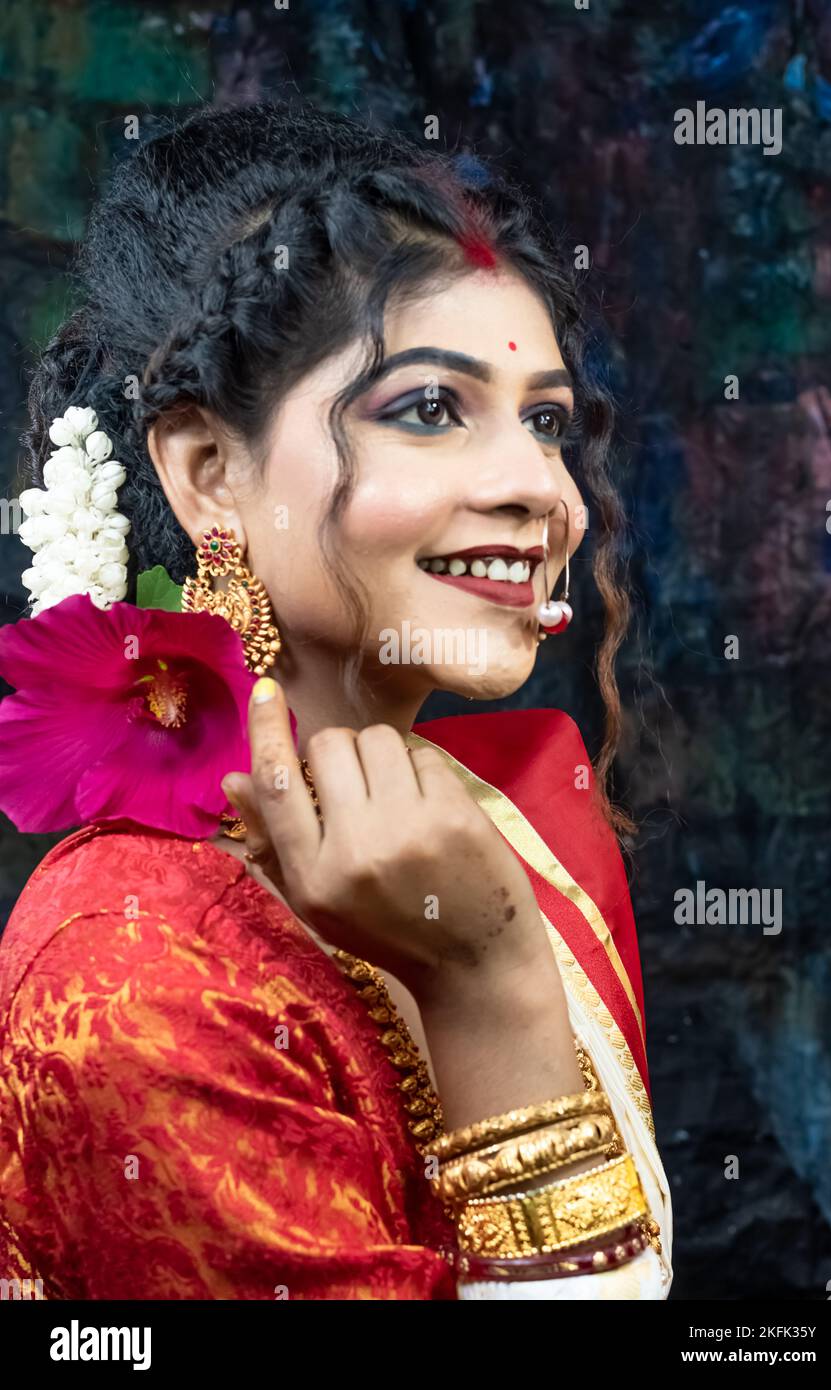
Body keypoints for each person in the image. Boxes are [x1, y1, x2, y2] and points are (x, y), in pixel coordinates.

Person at [0, 101, 672, 1299]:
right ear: (211, 472)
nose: (538, 489)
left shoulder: (505, 823)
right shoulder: (128, 970)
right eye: (427, 409)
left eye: (548, 423)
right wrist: (489, 993)